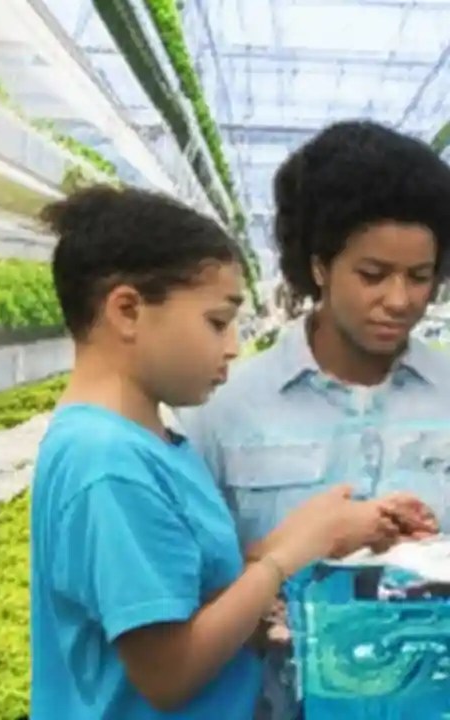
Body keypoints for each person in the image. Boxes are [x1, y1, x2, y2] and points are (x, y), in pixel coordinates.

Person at [28, 184, 434, 720]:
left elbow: (201, 596)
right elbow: (169, 673)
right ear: (127, 311)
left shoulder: (149, 444)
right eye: (217, 322)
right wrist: (287, 557)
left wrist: (317, 532)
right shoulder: (107, 463)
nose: (234, 346)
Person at [173, 119, 450, 720]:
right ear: (320, 265)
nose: (400, 300)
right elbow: (183, 601)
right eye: (372, 275)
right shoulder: (225, 409)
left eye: (420, 277)